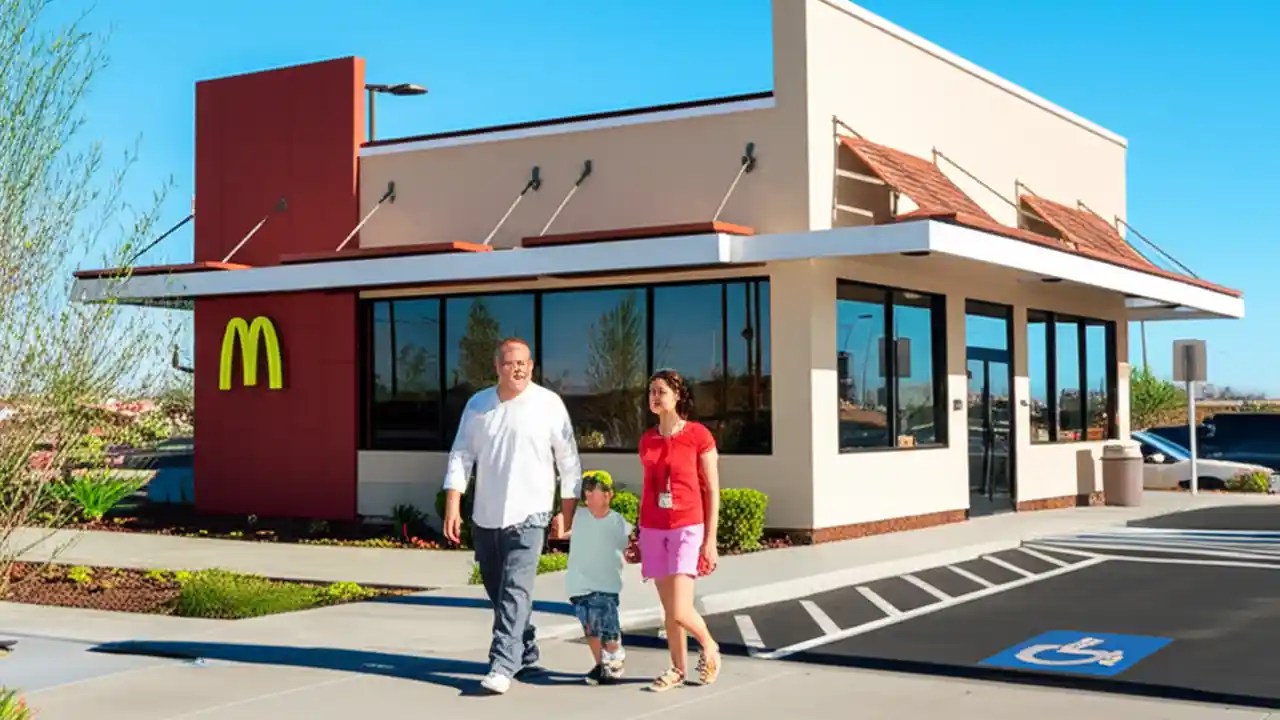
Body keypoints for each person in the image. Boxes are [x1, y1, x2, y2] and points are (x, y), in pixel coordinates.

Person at [442, 337, 583, 695]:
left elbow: (569, 462)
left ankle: (503, 663)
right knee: (499, 590)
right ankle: (527, 651)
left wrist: (567, 516)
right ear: (497, 367)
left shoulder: (548, 404)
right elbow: (461, 455)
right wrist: (454, 503)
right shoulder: (479, 406)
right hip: (487, 515)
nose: (517, 368)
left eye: (523, 363)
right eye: (509, 363)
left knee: (516, 590)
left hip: (530, 514)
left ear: (531, 366)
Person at [634, 368, 722, 692]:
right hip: (654, 529)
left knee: (680, 608)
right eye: (651, 392)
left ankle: (709, 645)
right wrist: (639, 535)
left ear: (677, 396)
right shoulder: (647, 439)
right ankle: (677, 668)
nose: (654, 397)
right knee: (668, 610)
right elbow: (647, 489)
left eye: (661, 391)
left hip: (687, 527)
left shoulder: (699, 435)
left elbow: (712, 489)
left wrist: (710, 541)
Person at [563, 469, 634, 685]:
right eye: (586, 493)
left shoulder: (617, 521)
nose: (588, 497)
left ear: (607, 495)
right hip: (579, 583)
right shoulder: (579, 516)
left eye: (592, 492)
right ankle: (601, 664)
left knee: (607, 625)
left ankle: (614, 652)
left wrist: (635, 552)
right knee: (590, 628)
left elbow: (630, 546)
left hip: (606, 584)